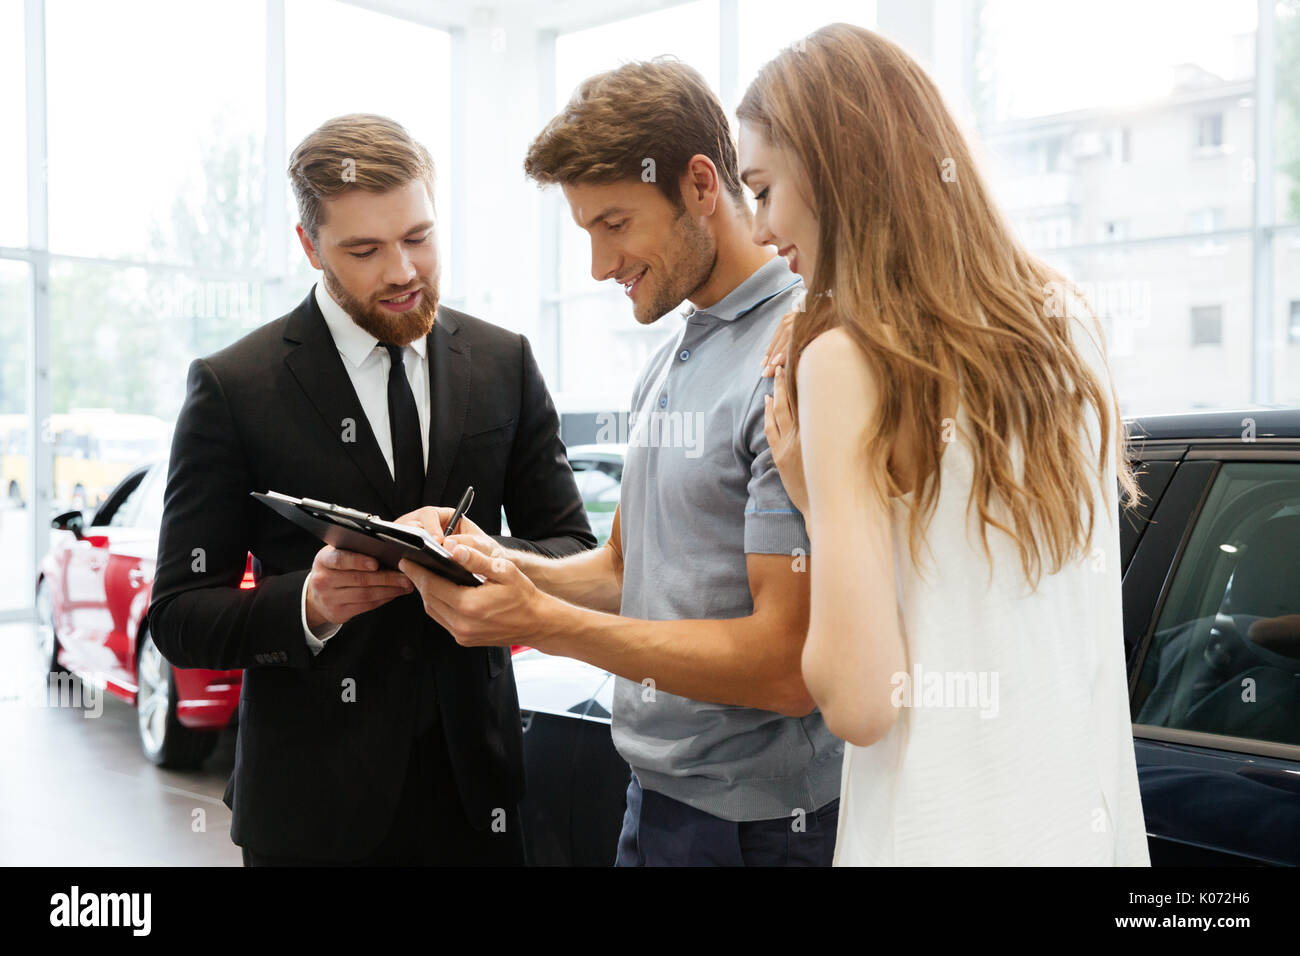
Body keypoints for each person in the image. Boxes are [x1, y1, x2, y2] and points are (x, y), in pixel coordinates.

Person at [398, 59, 843, 866]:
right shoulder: (672, 358)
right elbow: (623, 572)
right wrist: (488, 559)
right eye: (588, 233)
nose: (601, 265)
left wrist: (541, 623)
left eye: (615, 223)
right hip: (652, 797)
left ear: (701, 184)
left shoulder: (801, 353)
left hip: (763, 829)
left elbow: (786, 668)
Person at [736, 23, 1150, 865]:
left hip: (937, 831)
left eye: (764, 188)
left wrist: (816, 502)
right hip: (1079, 828)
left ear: (831, 167)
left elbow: (860, 702)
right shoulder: (1069, 323)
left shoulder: (847, 365)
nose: (758, 229)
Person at [146, 113, 595, 866]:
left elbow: (573, 549)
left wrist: (486, 553)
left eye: (419, 237)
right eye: (364, 249)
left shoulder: (502, 361)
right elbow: (180, 615)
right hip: (310, 813)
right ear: (309, 246)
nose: (402, 271)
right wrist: (308, 606)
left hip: (475, 797)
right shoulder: (235, 386)